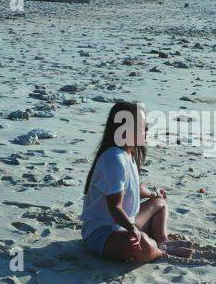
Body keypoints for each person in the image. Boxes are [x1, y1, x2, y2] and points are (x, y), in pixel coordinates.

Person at [81, 102, 191, 262]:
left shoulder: (128, 154)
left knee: (159, 203)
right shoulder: (114, 158)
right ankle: (160, 251)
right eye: (141, 125)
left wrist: (154, 193)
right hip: (102, 234)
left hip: (125, 224)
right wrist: (132, 229)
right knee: (144, 244)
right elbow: (115, 207)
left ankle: (162, 241)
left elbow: (134, 188)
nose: (146, 129)